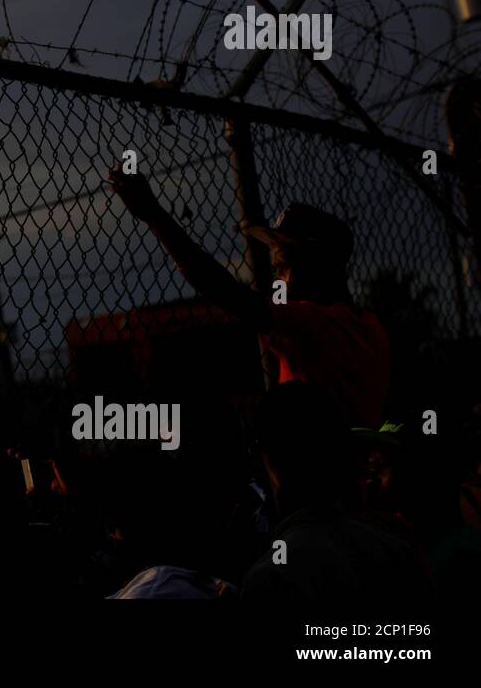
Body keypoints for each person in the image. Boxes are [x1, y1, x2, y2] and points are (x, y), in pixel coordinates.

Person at [109, 170, 390, 427]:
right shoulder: (371, 328)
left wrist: (153, 214)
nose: (277, 282)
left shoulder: (312, 324)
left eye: (282, 268)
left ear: (317, 267)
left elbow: (226, 292)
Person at [241, 383, 431, 602]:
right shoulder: (400, 550)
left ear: (267, 460)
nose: (372, 476)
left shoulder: (272, 579)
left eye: (383, 464)